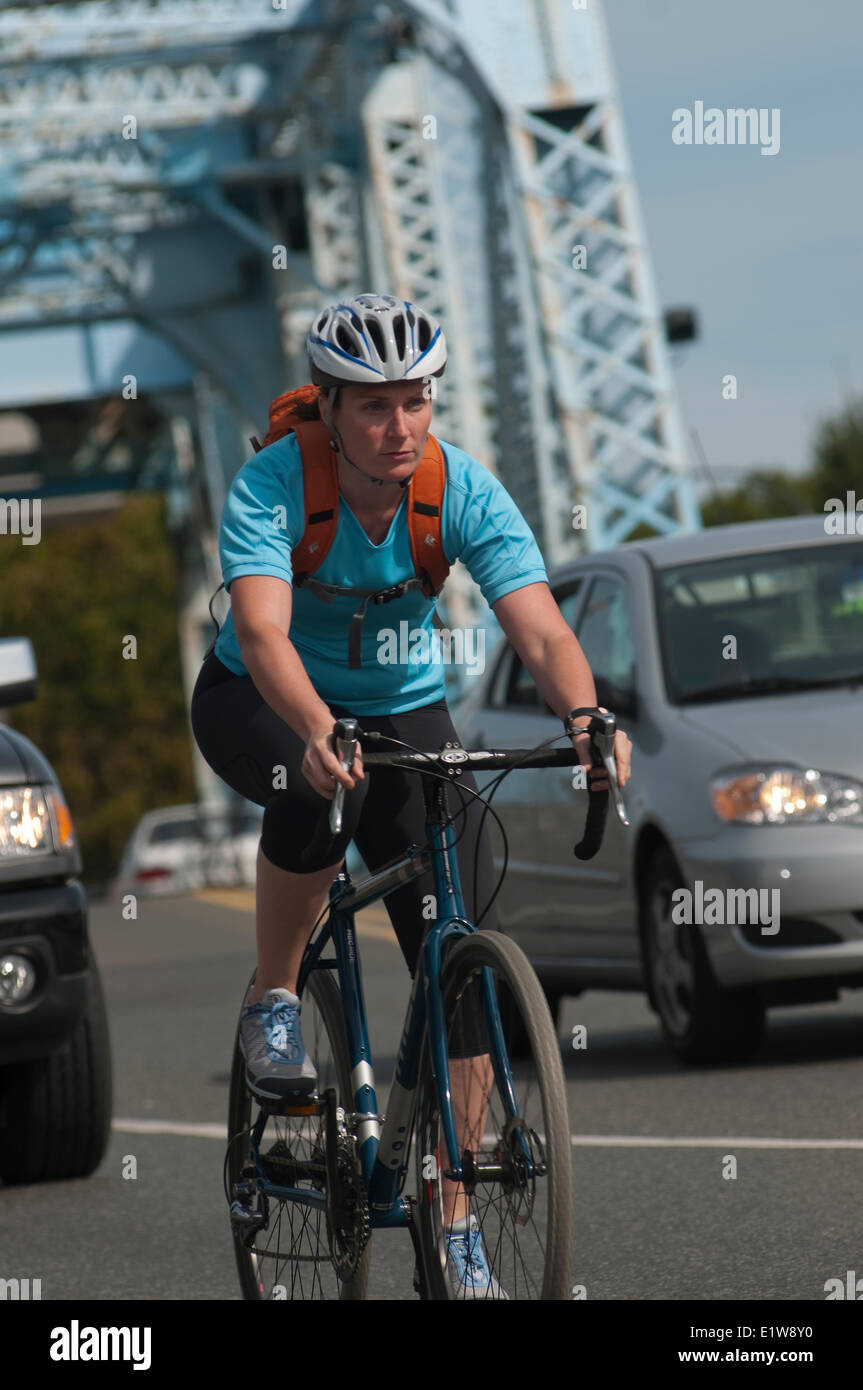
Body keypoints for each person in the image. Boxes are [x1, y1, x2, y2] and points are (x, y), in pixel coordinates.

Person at [190, 292, 631, 1296]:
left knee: (461, 947)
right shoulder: (272, 486)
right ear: (334, 411)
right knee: (311, 795)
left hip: (402, 712)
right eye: (375, 406)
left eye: (414, 401)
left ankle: (453, 1213)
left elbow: (543, 630)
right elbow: (260, 635)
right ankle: (272, 1001)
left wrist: (583, 718)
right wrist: (310, 728)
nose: (398, 427)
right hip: (262, 701)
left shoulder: (455, 488)